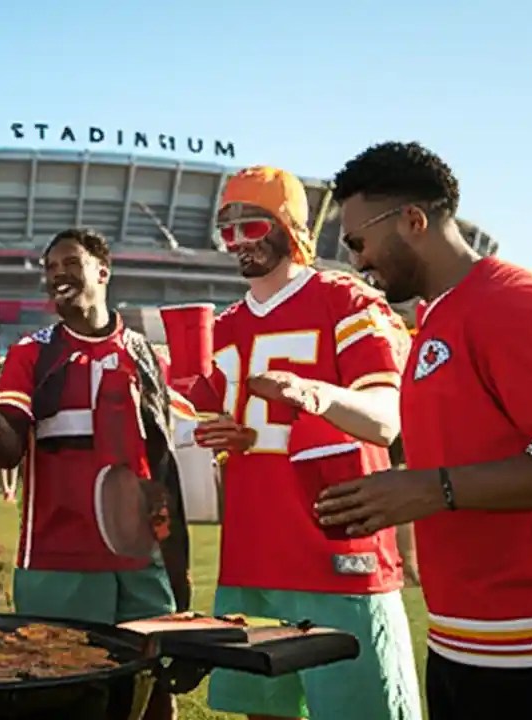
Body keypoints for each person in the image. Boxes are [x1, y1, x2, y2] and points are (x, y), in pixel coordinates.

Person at [317, 141, 532, 719]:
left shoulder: (516, 306)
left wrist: (431, 489)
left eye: (358, 242)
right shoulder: (436, 316)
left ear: (413, 220)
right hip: (463, 639)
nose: (356, 261)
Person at [184, 165, 420, 720]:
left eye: (251, 225)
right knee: (264, 712)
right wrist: (228, 433)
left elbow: (387, 420)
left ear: (290, 226)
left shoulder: (348, 301)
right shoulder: (224, 327)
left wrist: (311, 392)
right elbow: (212, 425)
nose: (236, 241)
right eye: (227, 228)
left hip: (338, 554)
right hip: (251, 555)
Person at [0, 227, 188, 720]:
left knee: (153, 693)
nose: (56, 275)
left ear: (103, 272)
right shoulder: (32, 353)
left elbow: (161, 464)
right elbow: (6, 450)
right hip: (57, 559)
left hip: (139, 558)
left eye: (69, 264)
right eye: (49, 269)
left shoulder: (146, 355)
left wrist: (175, 556)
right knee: (65, 697)